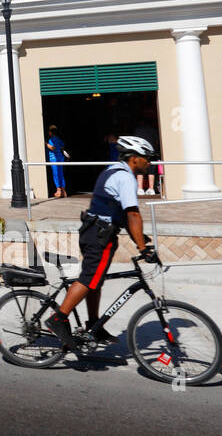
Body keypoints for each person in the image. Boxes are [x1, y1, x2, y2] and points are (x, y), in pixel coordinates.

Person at [46, 136, 159, 350]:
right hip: (99, 236)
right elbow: (132, 214)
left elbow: (116, 210)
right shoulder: (126, 178)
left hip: (93, 231)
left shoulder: (113, 169)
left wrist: (140, 238)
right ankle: (58, 319)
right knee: (90, 279)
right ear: (134, 159)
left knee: (95, 281)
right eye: (147, 158)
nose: (149, 163)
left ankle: (93, 326)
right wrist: (143, 249)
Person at [46, 125, 69, 198]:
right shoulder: (59, 139)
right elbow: (62, 146)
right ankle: (63, 191)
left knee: (56, 174)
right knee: (60, 174)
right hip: (61, 159)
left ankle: (59, 191)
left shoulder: (51, 140)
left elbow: (52, 147)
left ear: (50, 132)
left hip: (54, 159)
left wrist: (46, 144)